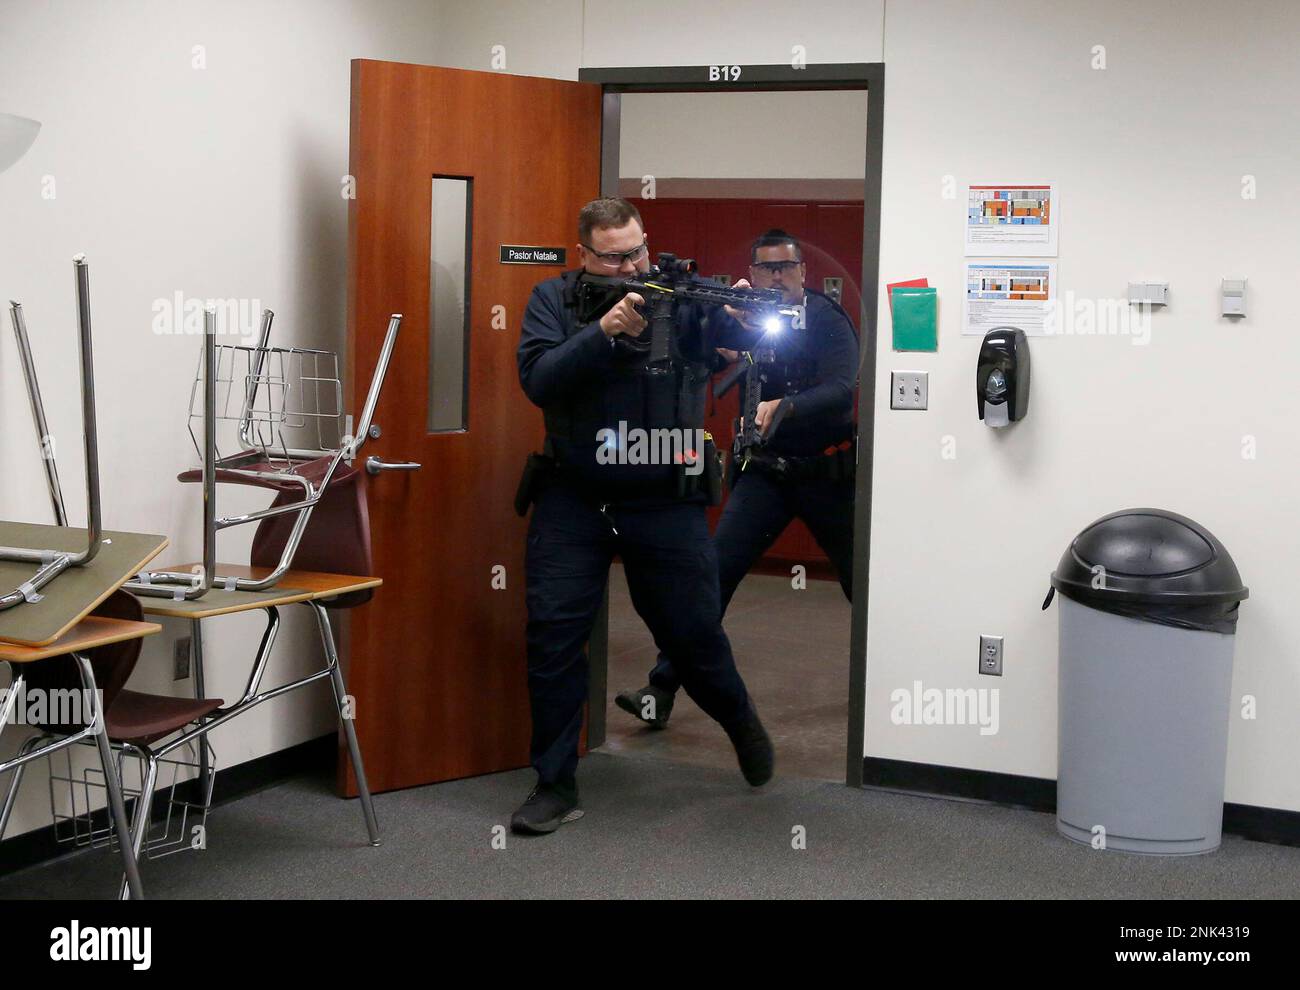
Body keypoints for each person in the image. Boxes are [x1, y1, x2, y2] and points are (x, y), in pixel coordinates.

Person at [512, 197, 775, 835]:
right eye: (615, 256)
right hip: (574, 496)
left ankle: (737, 716)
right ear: (585, 254)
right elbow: (539, 379)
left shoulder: (682, 299)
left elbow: (743, 337)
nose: (632, 266)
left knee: (692, 634)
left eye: (638, 250)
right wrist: (605, 332)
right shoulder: (553, 300)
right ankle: (553, 783)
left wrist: (740, 312)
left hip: (665, 497)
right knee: (553, 637)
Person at [616, 229, 859, 729]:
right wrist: (724, 340)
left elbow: (840, 388)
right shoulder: (748, 317)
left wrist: (786, 406)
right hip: (766, 473)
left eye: (785, 267)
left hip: (826, 473)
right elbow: (703, 354)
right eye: (766, 268)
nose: (776, 276)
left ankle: (891, 691)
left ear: (802, 272)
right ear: (752, 274)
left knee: (865, 582)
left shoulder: (828, 318)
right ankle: (661, 688)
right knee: (712, 577)